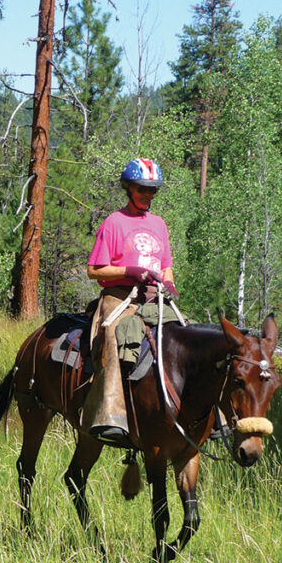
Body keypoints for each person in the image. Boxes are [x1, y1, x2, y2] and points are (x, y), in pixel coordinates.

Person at [83, 158, 177, 448]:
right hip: (120, 296)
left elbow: (166, 266)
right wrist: (129, 271)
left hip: (153, 297)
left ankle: (198, 414)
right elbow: (94, 270)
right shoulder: (113, 223)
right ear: (128, 188)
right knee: (112, 336)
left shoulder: (159, 225)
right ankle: (111, 415)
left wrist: (169, 283)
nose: (147, 195)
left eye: (152, 190)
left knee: (185, 336)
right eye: (142, 189)